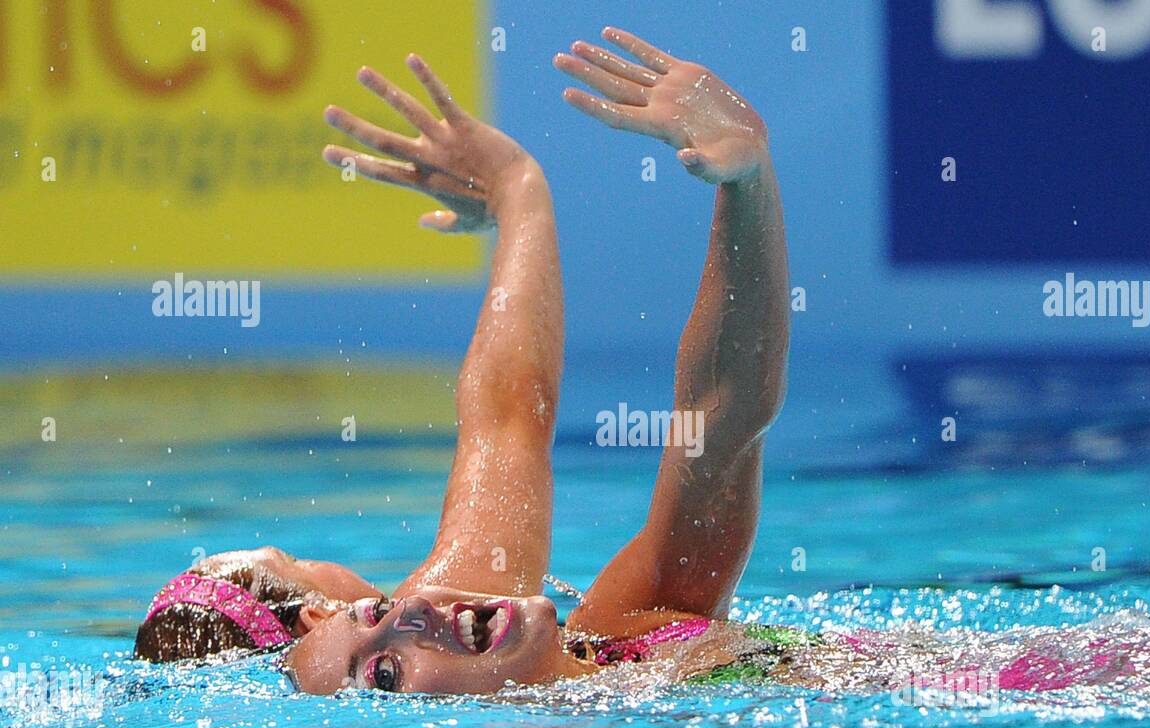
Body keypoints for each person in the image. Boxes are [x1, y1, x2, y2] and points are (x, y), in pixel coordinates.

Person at [137, 27, 791, 693]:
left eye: (378, 611)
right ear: (310, 614)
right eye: (386, 672)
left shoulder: (581, 626)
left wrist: (744, 182)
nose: (415, 605)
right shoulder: (533, 671)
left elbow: (523, 417)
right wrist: (521, 194)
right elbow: (711, 419)